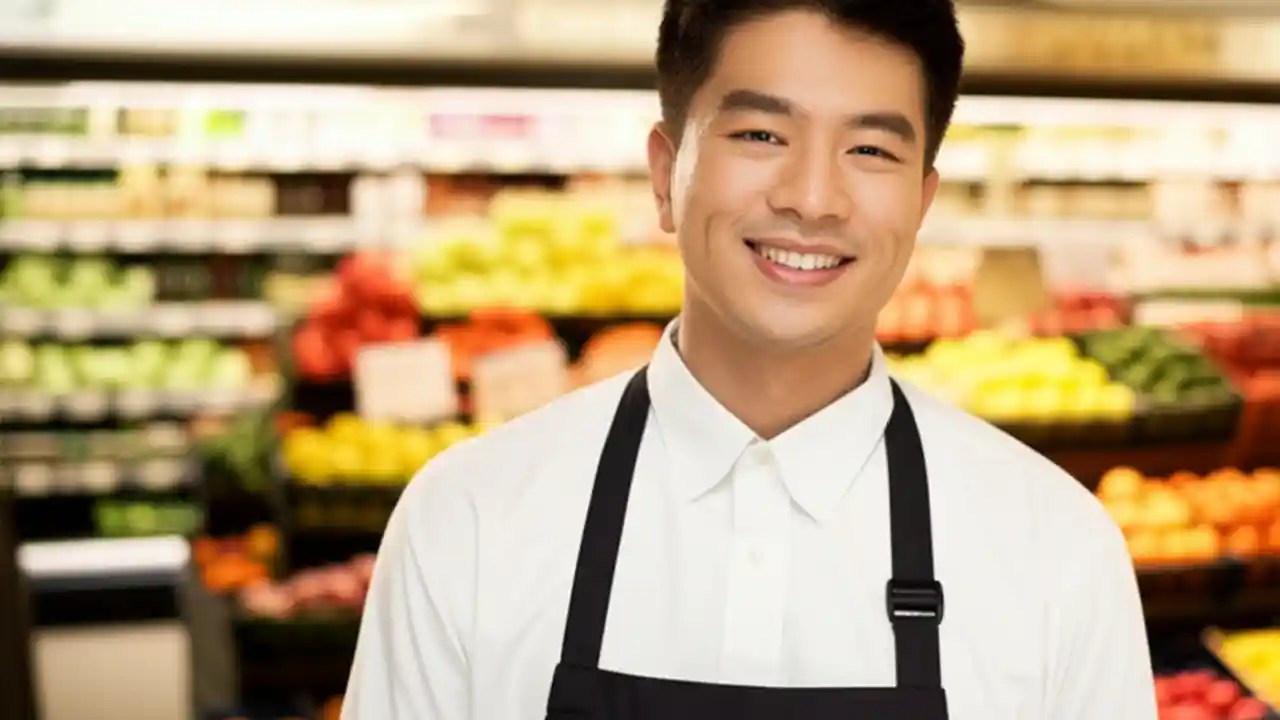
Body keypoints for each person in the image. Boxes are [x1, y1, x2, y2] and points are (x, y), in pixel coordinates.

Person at [343, 1, 1157, 718]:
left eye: (871, 151)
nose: (812, 197)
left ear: (921, 203)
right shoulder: (469, 524)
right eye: (762, 134)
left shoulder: (1057, 553)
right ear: (665, 176)